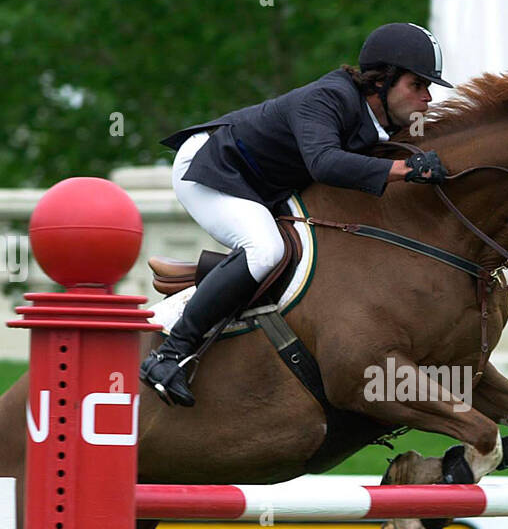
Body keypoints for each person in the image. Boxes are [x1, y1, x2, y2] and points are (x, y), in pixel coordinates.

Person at [140, 22, 454, 407]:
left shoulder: (380, 122)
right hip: (211, 169)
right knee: (265, 250)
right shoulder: (329, 97)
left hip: (259, 184)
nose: (428, 98)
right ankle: (169, 354)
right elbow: (324, 163)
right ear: (382, 81)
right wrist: (406, 172)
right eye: (418, 85)